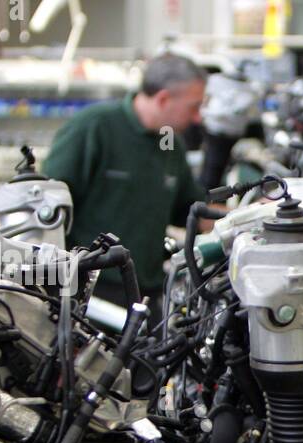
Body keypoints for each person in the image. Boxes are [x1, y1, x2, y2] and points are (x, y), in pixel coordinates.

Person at [42, 54, 208, 307]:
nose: (198, 118)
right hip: (90, 294)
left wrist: (251, 216)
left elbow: (191, 210)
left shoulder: (170, 143)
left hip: (146, 292)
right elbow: (46, 209)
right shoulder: (94, 127)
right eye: (193, 107)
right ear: (163, 99)